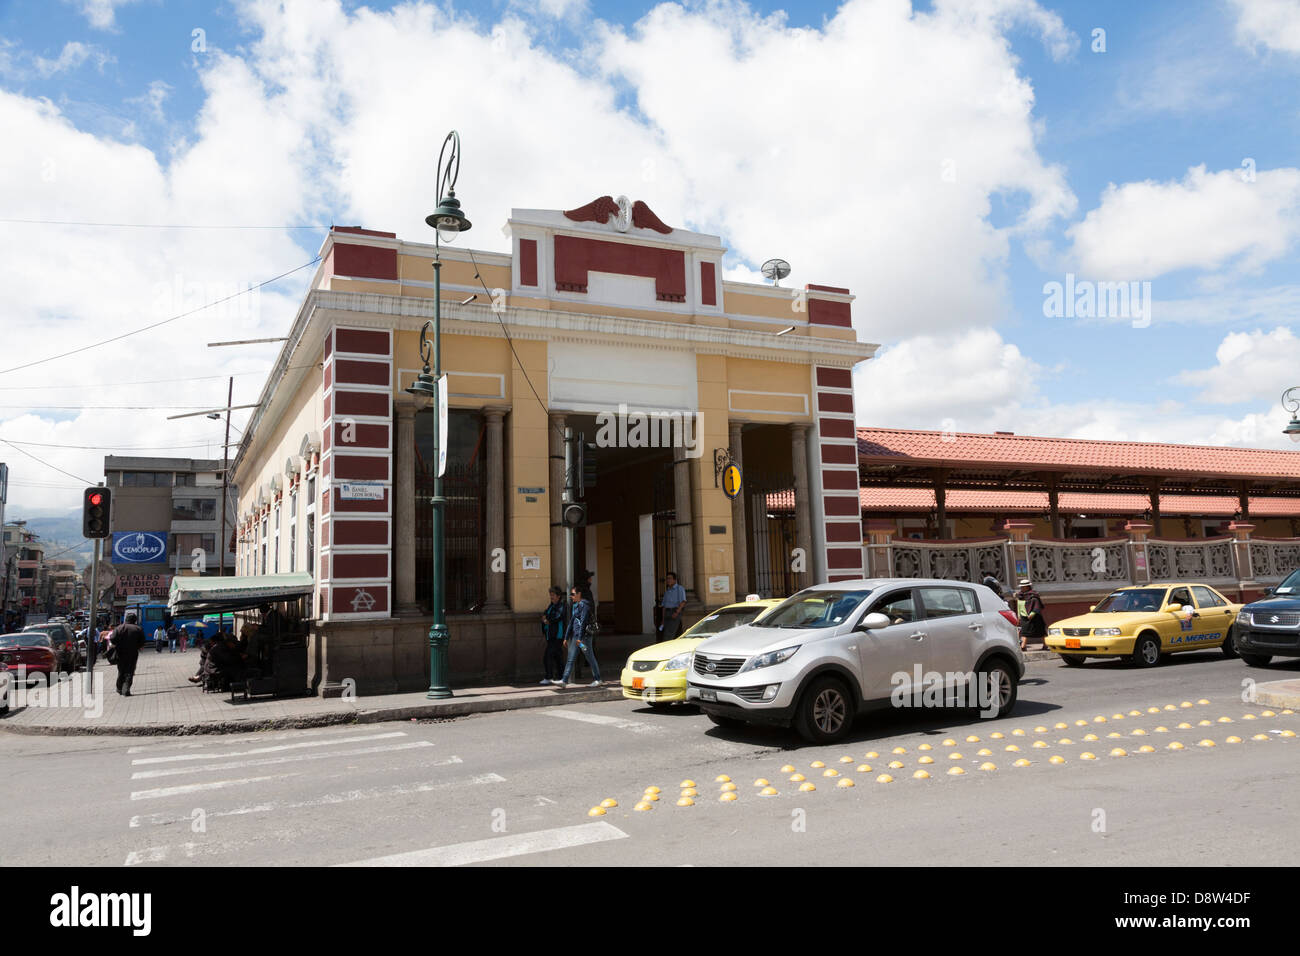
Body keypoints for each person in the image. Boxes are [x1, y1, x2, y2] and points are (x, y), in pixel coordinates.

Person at [554, 585, 600, 688]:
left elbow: (583, 622)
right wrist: (566, 637)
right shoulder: (577, 605)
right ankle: (564, 681)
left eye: (573, 594)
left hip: (584, 639)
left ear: (579, 594)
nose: (571, 596)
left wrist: (580, 638)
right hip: (576, 637)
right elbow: (571, 622)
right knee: (571, 658)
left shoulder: (585, 606)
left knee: (590, 657)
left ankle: (598, 679)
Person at [112, 612, 147, 696]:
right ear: (135, 620)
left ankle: (119, 688)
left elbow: (112, 639)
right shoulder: (138, 629)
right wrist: (137, 646)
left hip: (120, 653)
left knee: (121, 670)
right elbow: (142, 642)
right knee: (130, 671)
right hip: (132, 653)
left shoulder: (119, 628)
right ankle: (126, 689)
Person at [539, 586, 566, 684]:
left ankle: (549, 677)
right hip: (550, 635)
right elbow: (545, 614)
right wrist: (545, 618)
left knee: (548, 656)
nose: (551, 596)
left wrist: (547, 620)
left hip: (557, 636)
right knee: (557, 656)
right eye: (550, 595)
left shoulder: (561, 606)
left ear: (558, 596)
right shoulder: (552, 605)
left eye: (553, 595)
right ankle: (561, 676)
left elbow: (557, 617)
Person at [1015, 579, 1047, 651]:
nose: (1022, 588)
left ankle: (1045, 645)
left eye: (1023, 587)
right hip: (1024, 617)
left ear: (1027, 587)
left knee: (1041, 631)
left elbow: (1037, 606)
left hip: (1035, 617)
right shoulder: (1020, 596)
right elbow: (1019, 607)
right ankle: (1023, 646)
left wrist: (1032, 614)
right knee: (1024, 632)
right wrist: (1019, 616)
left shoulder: (1034, 596)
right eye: (1021, 587)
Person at [658, 571, 687, 642]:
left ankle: (666, 649)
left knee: (669, 635)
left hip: (674, 612)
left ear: (674, 580)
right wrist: (663, 620)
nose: (668, 580)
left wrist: (676, 613)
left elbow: (683, 602)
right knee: (666, 633)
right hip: (667, 613)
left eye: (670, 578)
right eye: (667, 579)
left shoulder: (679, 589)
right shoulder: (667, 591)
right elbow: (664, 606)